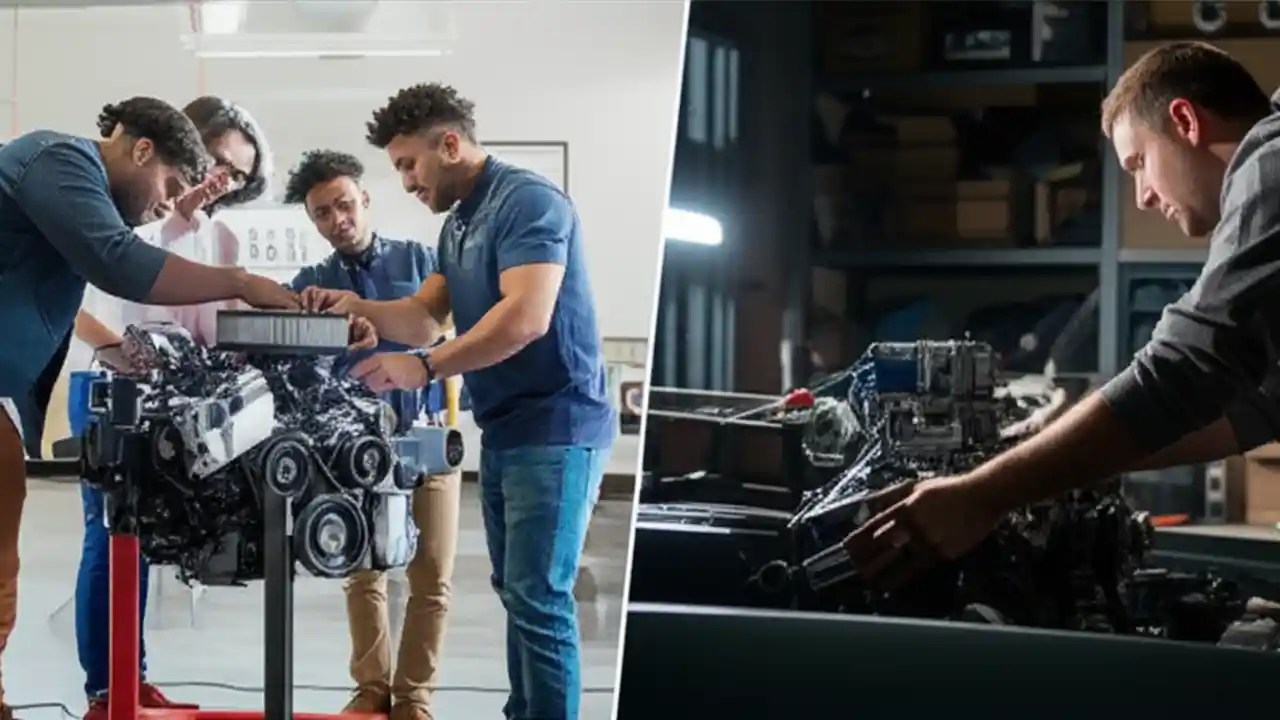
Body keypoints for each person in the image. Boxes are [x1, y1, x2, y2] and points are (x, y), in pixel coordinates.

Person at [847, 42, 1280, 590]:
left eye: (1137, 163)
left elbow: (1186, 367)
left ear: (1185, 120)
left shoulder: (1271, 168)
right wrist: (1045, 452)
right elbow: (1254, 412)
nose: (1143, 196)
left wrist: (982, 495)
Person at [299, 83, 615, 720]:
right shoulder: (459, 225)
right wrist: (356, 307)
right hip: (506, 426)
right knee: (518, 592)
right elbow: (421, 315)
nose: (407, 182)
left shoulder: (527, 202)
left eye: (408, 165)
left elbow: (526, 317)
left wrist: (423, 368)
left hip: (558, 423)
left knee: (540, 597)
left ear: (449, 144)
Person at [0, 95, 300, 720]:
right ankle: (102, 687)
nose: (171, 198)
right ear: (140, 150)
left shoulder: (96, 195)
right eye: (171, 181)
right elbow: (120, 266)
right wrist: (242, 281)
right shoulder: (60, 160)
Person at [69, 95, 274, 720]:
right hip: (109, 390)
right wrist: (119, 353)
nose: (220, 178)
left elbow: (216, 332)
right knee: (109, 534)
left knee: (155, 532)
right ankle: (107, 688)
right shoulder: (126, 211)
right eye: (214, 159)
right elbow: (76, 304)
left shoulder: (223, 236)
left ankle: (133, 677)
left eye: (236, 173)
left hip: (178, 402)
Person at [283, 148, 461, 720]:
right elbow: (299, 372)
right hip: (352, 452)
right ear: (313, 221)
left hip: (426, 440)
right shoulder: (309, 286)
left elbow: (446, 333)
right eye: (322, 213)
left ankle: (414, 698)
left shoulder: (422, 263)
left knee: (431, 577)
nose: (338, 219)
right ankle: (370, 690)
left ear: (365, 200)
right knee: (362, 574)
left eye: (344, 204)